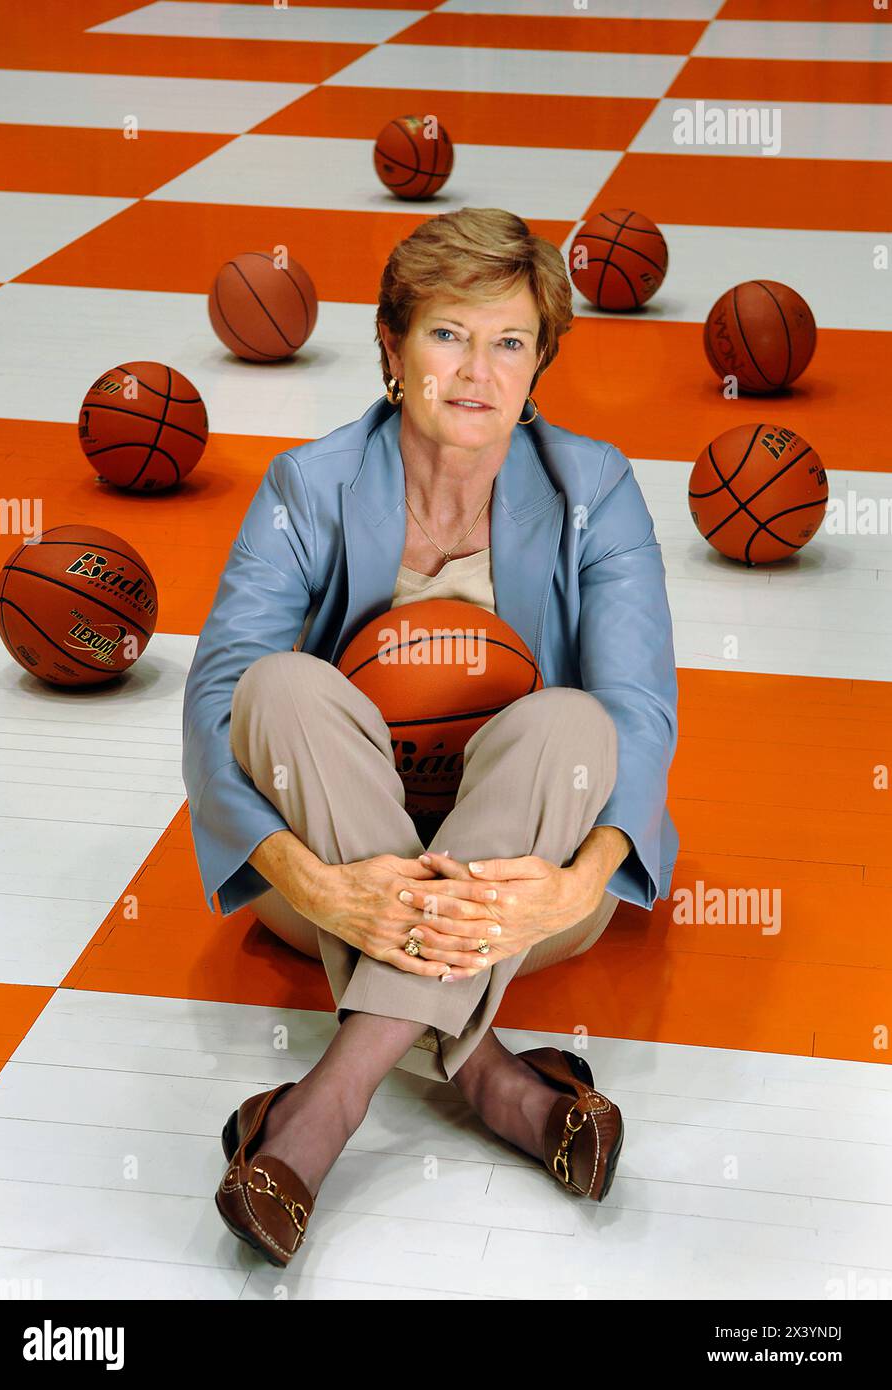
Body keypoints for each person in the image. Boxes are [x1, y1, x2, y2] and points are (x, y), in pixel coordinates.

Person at [182, 207, 679, 1266]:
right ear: (392, 348)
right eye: (447, 334)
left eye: (509, 342)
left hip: (527, 878)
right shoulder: (306, 485)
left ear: (541, 362)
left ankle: (318, 1109)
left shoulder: (594, 489)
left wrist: (577, 880)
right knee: (276, 687)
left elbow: (638, 714)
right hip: (325, 867)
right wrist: (314, 884)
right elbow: (213, 698)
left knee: (574, 720)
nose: (475, 371)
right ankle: (499, 1079)